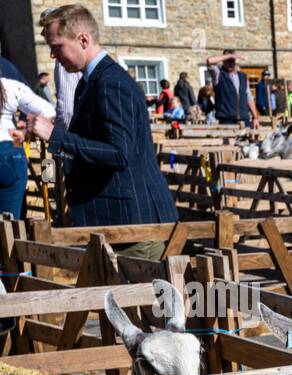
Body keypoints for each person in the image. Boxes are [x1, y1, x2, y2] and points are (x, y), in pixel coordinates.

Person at [21, 5, 176, 244]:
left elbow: (119, 153)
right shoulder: (92, 81)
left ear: (83, 39)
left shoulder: (110, 82)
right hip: (119, 222)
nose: (53, 55)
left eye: (57, 46)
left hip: (134, 226)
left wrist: (55, 136)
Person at [0, 74, 55, 219]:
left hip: (8, 152)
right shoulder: (9, 86)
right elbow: (49, 111)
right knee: (9, 227)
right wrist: (26, 131)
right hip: (8, 151)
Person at [206, 50, 257, 127]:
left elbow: (249, 98)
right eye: (228, 61)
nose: (230, 63)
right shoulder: (219, 74)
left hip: (244, 118)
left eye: (232, 60)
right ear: (223, 61)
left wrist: (255, 117)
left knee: (246, 139)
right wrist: (229, 56)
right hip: (227, 119)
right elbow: (209, 61)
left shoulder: (242, 76)